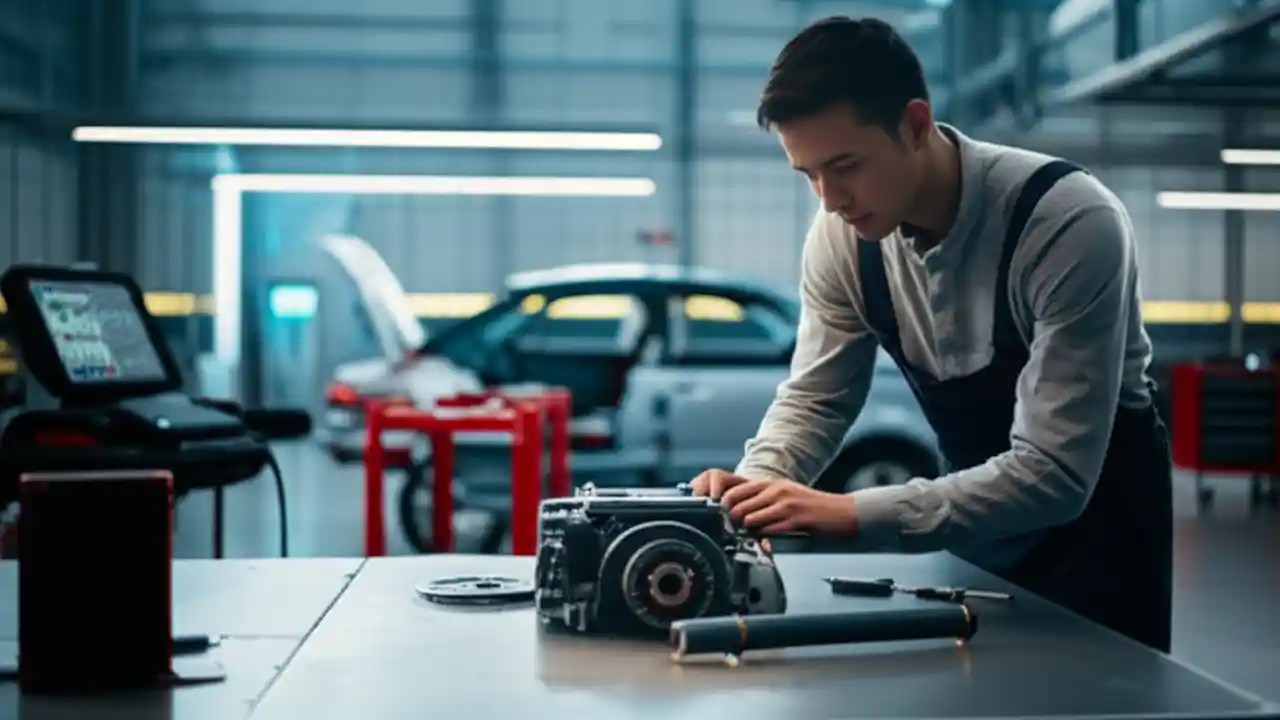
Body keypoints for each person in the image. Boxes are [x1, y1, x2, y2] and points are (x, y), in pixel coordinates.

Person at [689, 16, 1173, 653]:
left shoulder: (1069, 222)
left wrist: (848, 512)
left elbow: (1055, 473)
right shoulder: (841, 237)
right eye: (807, 174)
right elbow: (817, 397)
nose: (829, 198)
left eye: (844, 165)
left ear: (915, 125)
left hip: (1102, 538)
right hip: (970, 527)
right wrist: (754, 492)